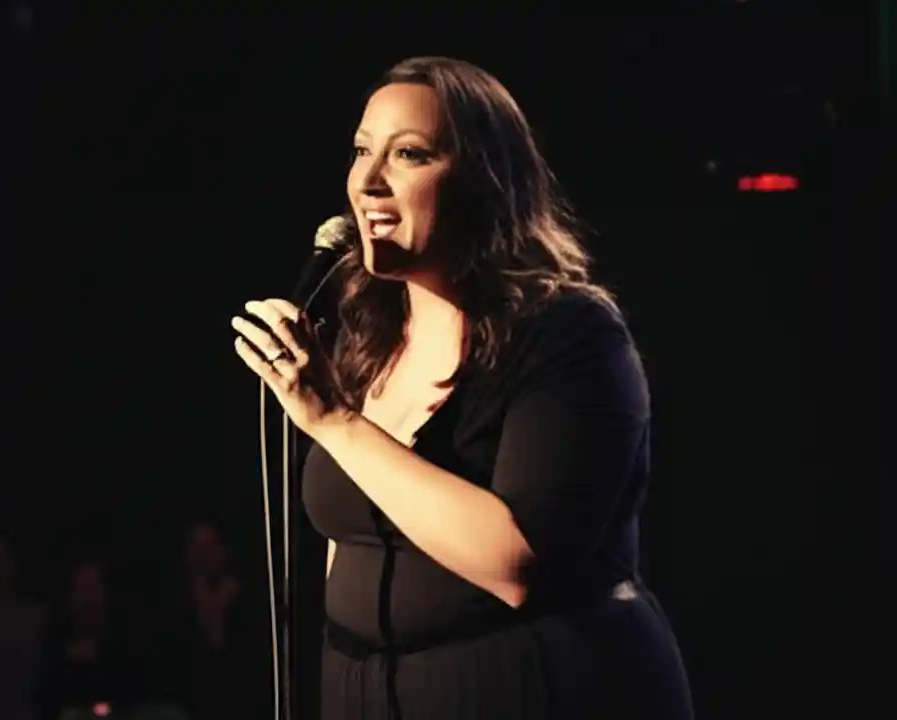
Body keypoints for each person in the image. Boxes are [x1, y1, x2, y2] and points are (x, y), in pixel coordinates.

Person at [230, 56, 694, 719]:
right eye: (362, 151)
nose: (368, 181)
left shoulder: (570, 335)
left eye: (409, 154)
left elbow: (516, 563)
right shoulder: (368, 328)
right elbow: (354, 533)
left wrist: (333, 419)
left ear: (484, 181)